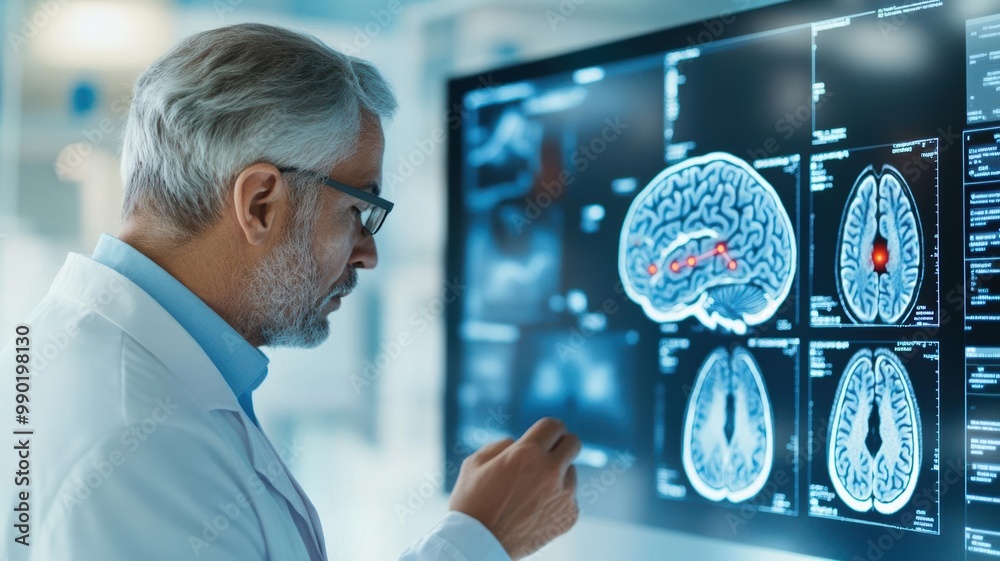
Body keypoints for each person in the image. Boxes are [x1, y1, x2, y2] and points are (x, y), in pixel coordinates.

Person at [0, 23, 580, 561]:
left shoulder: (92, 358)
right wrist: (479, 540)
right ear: (259, 204)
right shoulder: (136, 442)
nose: (367, 253)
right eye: (357, 210)